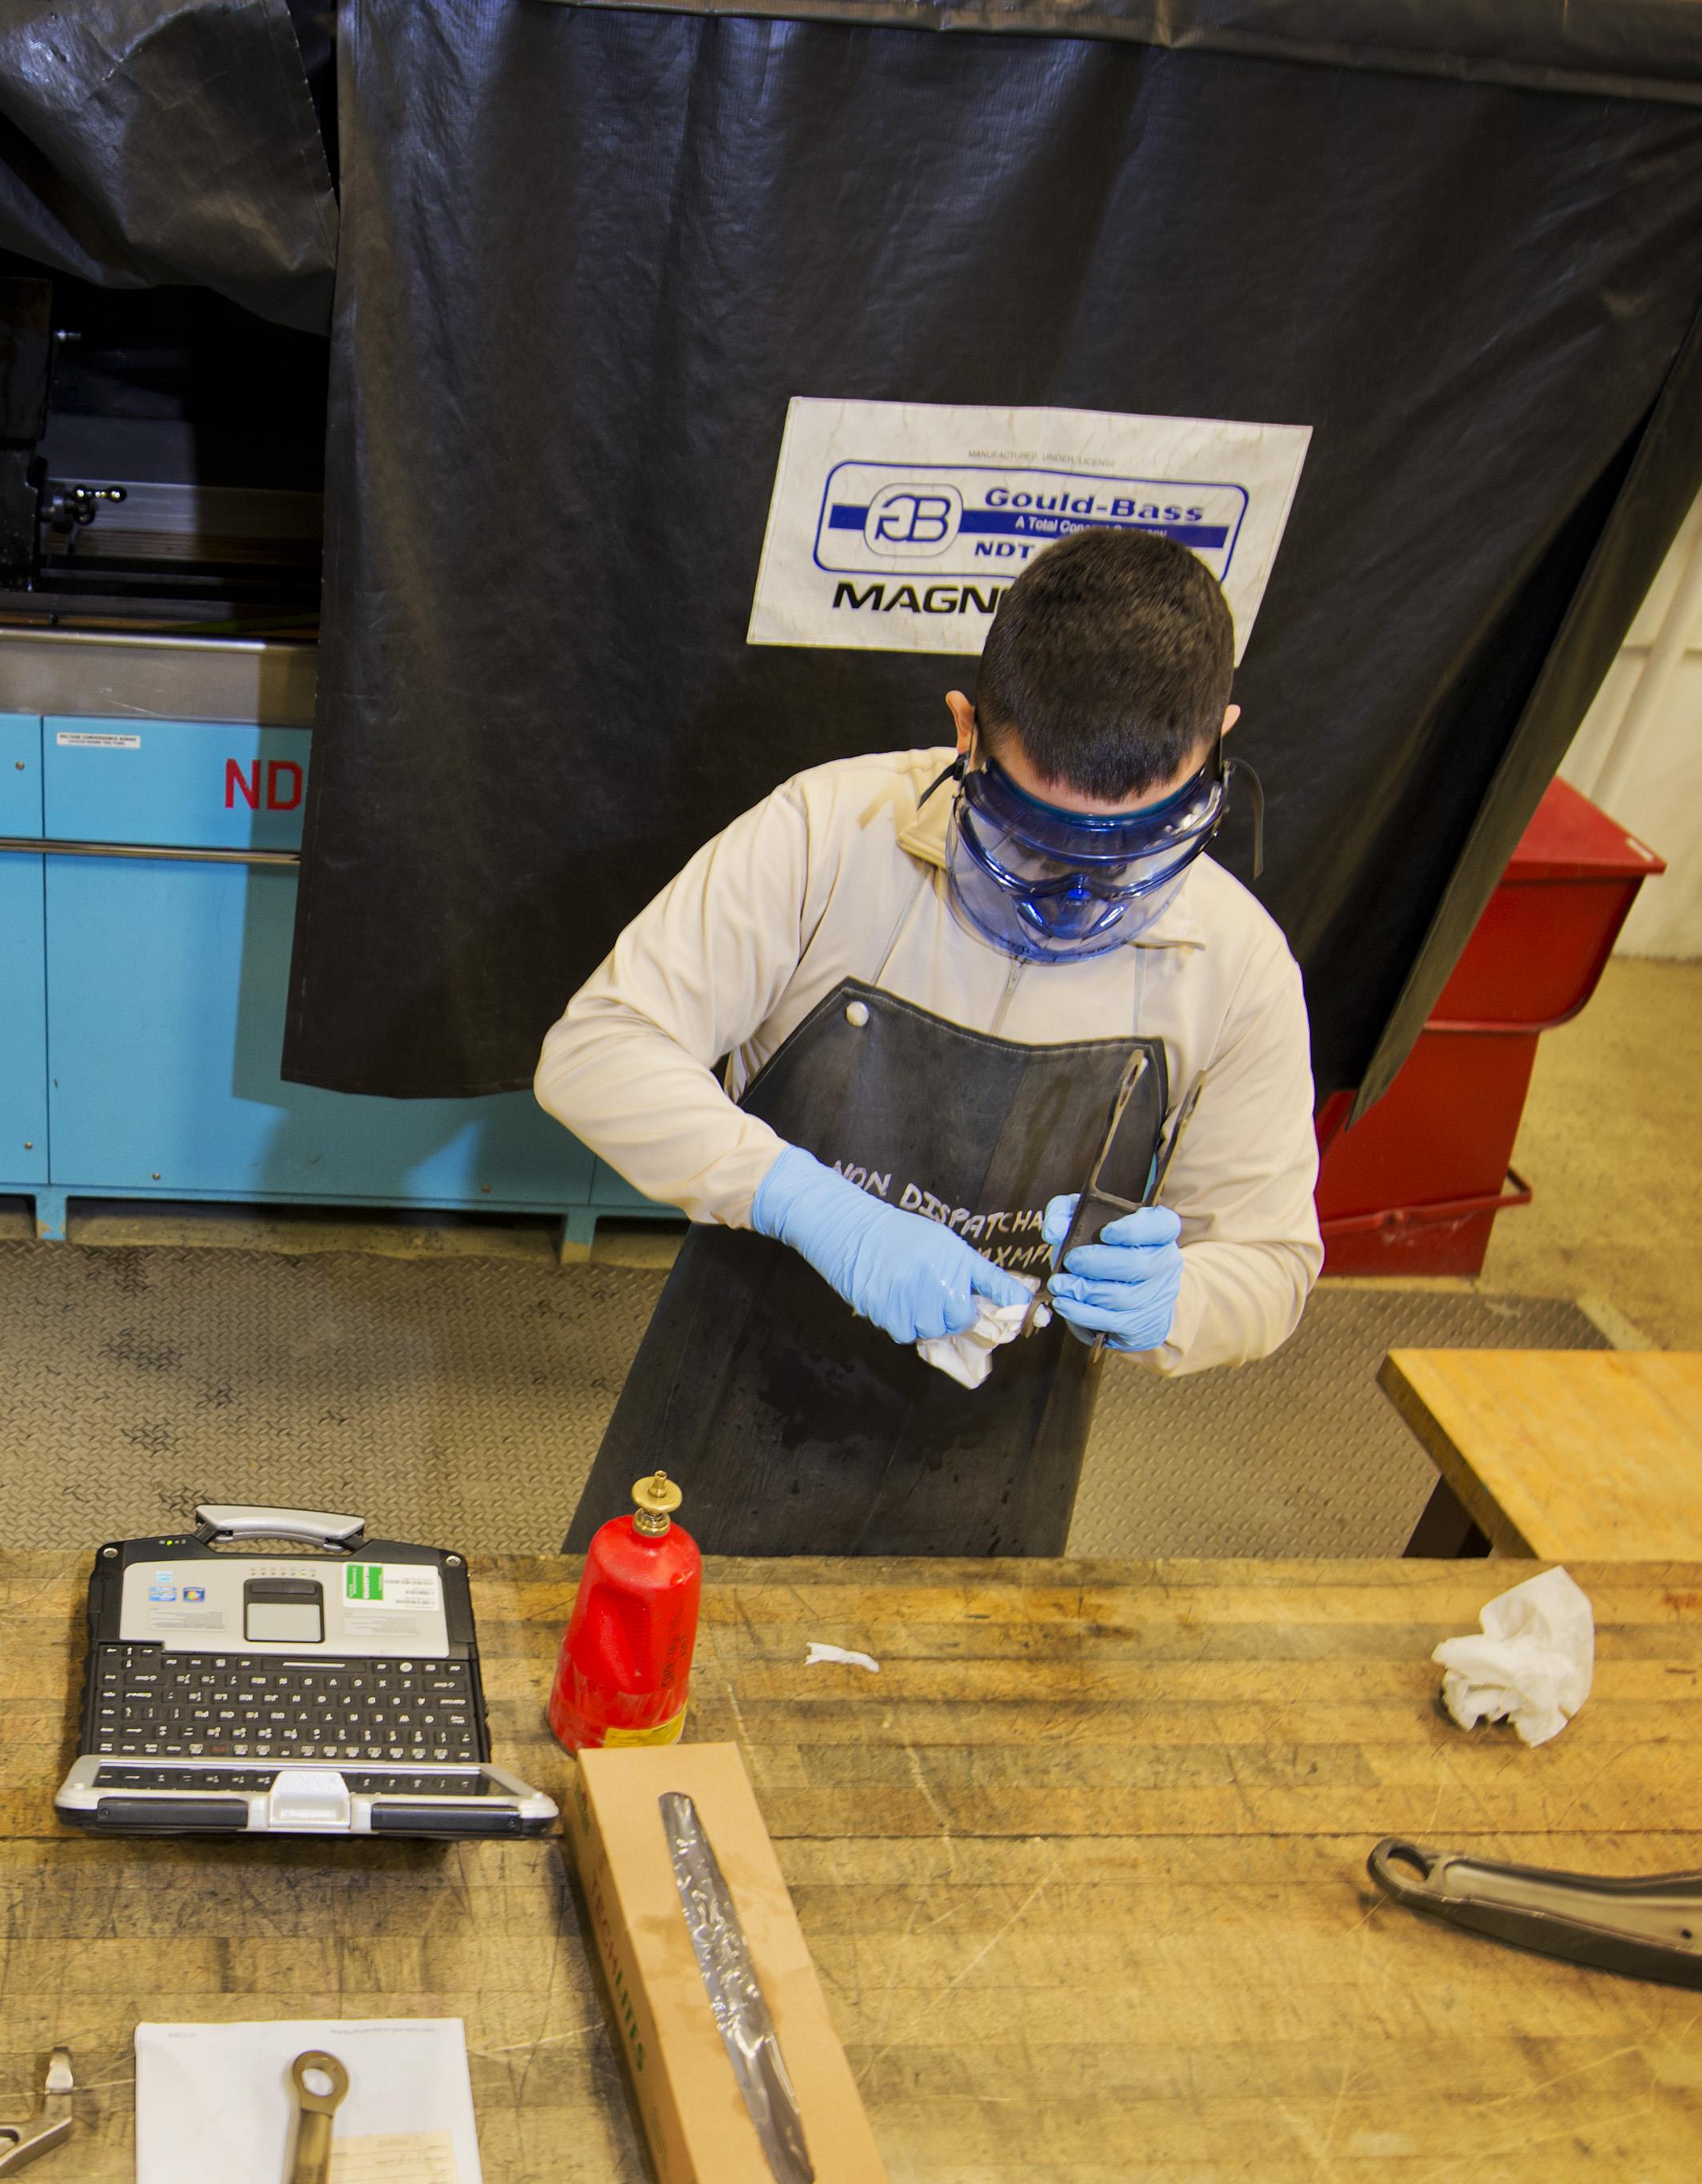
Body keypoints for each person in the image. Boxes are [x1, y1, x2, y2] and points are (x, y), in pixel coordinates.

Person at [535, 525, 1320, 1557]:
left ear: (1213, 744)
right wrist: (814, 1206)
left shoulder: (1234, 963)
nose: (1070, 900)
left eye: (1129, 851)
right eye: (1028, 841)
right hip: (736, 1392)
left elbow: (1271, 1261)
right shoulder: (827, 834)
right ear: (964, 732)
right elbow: (595, 1051)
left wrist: (1183, 1302)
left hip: (996, 1462)